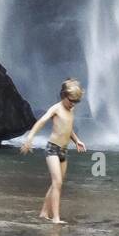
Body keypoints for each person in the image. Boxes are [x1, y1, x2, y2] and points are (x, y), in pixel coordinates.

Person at [20, 79, 86, 224]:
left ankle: (44, 212)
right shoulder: (56, 108)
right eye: (71, 101)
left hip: (64, 150)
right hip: (52, 149)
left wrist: (77, 141)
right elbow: (41, 121)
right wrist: (30, 138)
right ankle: (55, 218)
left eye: (76, 102)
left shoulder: (71, 109)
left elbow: (68, 128)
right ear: (64, 95)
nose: (73, 104)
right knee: (57, 182)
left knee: (57, 183)